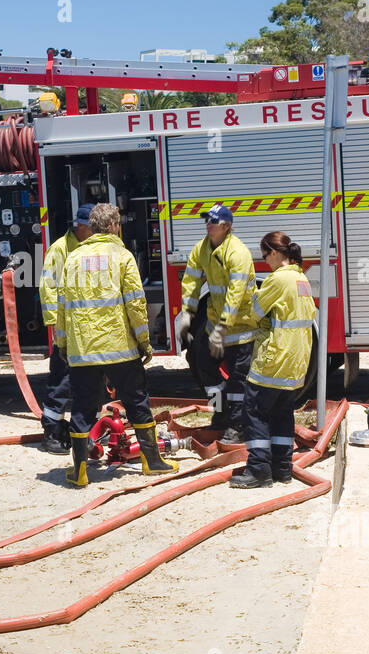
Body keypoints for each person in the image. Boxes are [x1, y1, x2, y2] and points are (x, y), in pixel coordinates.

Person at [55, 203, 178, 486]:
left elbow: (63, 307)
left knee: (84, 406)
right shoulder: (122, 257)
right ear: (113, 226)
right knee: (136, 401)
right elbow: (136, 304)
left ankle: (80, 471)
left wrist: (63, 343)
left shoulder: (73, 259)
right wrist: (144, 342)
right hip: (121, 349)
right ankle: (152, 462)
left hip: (83, 351)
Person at [233, 231, 317, 489]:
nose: (264, 259)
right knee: (282, 412)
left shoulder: (277, 280)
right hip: (296, 359)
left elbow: (254, 314)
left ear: (276, 252)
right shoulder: (301, 278)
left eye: (265, 253)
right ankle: (282, 468)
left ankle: (258, 470)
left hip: (274, 358)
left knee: (254, 411)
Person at [174, 202, 256, 443]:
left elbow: (235, 294)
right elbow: (191, 281)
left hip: (241, 329)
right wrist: (187, 314)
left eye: (213, 222)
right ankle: (221, 413)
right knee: (202, 364)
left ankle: (238, 427)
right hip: (215, 326)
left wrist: (222, 328)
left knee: (239, 381)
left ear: (227, 226)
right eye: (206, 221)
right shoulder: (202, 248)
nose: (208, 225)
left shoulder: (237, 253)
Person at [37, 203, 94, 453]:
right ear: (80, 226)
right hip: (66, 329)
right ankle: (52, 432)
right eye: (91, 228)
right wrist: (53, 323)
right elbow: (47, 286)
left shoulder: (94, 248)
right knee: (61, 380)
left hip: (89, 330)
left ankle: (83, 432)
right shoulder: (60, 249)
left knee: (89, 382)